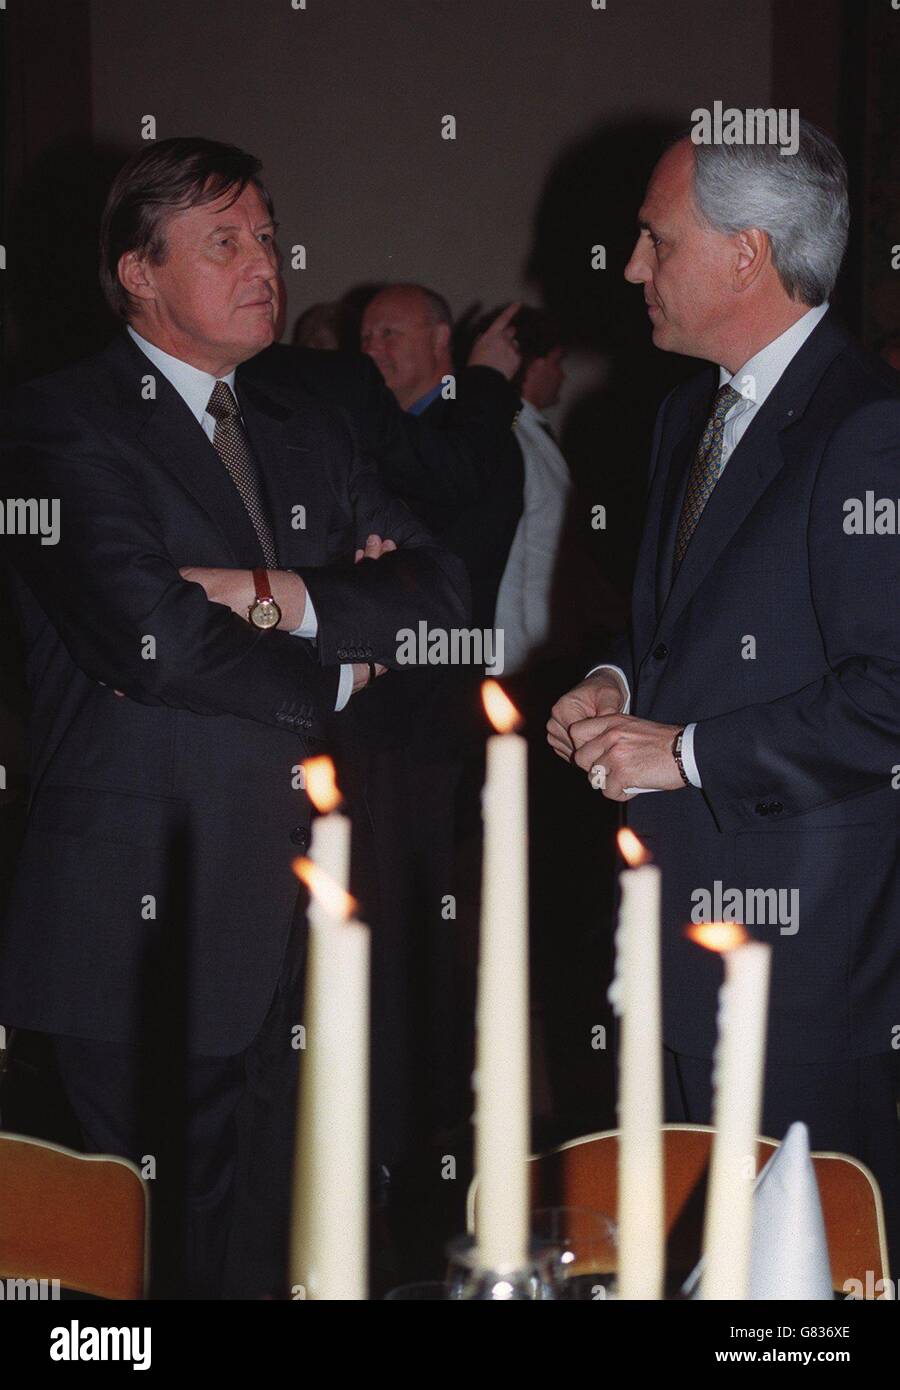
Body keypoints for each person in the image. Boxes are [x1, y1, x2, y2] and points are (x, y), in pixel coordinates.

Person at [0, 136, 468, 1298]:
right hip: (142, 926)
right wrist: (344, 664)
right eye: (225, 241)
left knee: (285, 1239)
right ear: (138, 275)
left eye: (266, 234)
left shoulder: (304, 422)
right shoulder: (59, 424)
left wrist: (279, 597)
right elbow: (149, 636)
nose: (267, 260)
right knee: (152, 1265)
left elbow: (445, 586)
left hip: (305, 910)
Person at [548, 120, 900, 1265]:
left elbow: (890, 694)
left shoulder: (868, 428)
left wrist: (686, 751)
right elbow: (680, 633)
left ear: (746, 254)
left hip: (798, 968)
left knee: (792, 1282)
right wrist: (612, 678)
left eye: (657, 241)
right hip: (667, 936)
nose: (634, 267)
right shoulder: (684, 412)